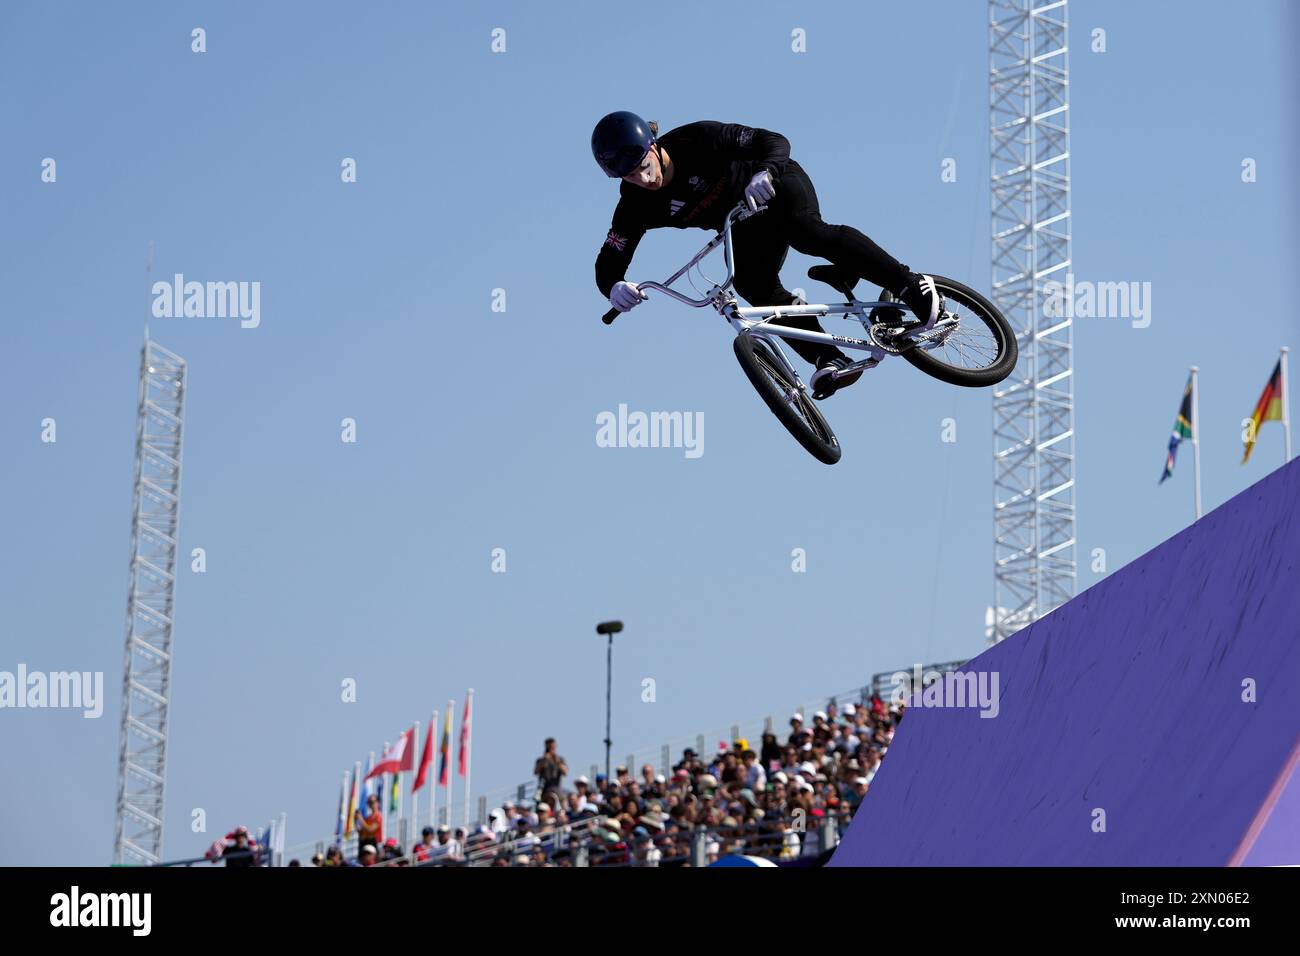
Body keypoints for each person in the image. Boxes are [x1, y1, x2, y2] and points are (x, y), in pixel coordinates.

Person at [592, 111, 942, 400]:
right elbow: (610, 257)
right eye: (628, 175)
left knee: (806, 232)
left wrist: (765, 171)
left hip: (776, 186)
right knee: (752, 286)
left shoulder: (696, 140)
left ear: (653, 146)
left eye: (642, 165)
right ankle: (829, 358)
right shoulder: (634, 204)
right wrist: (613, 286)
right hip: (743, 224)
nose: (642, 178)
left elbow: (774, 141)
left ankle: (911, 285)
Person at [533, 738, 568, 803]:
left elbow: (565, 773)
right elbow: (535, 772)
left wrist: (557, 762)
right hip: (543, 791)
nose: (551, 750)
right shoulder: (540, 760)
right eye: (549, 748)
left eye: (553, 747)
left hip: (556, 789)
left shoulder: (560, 759)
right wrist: (544, 760)